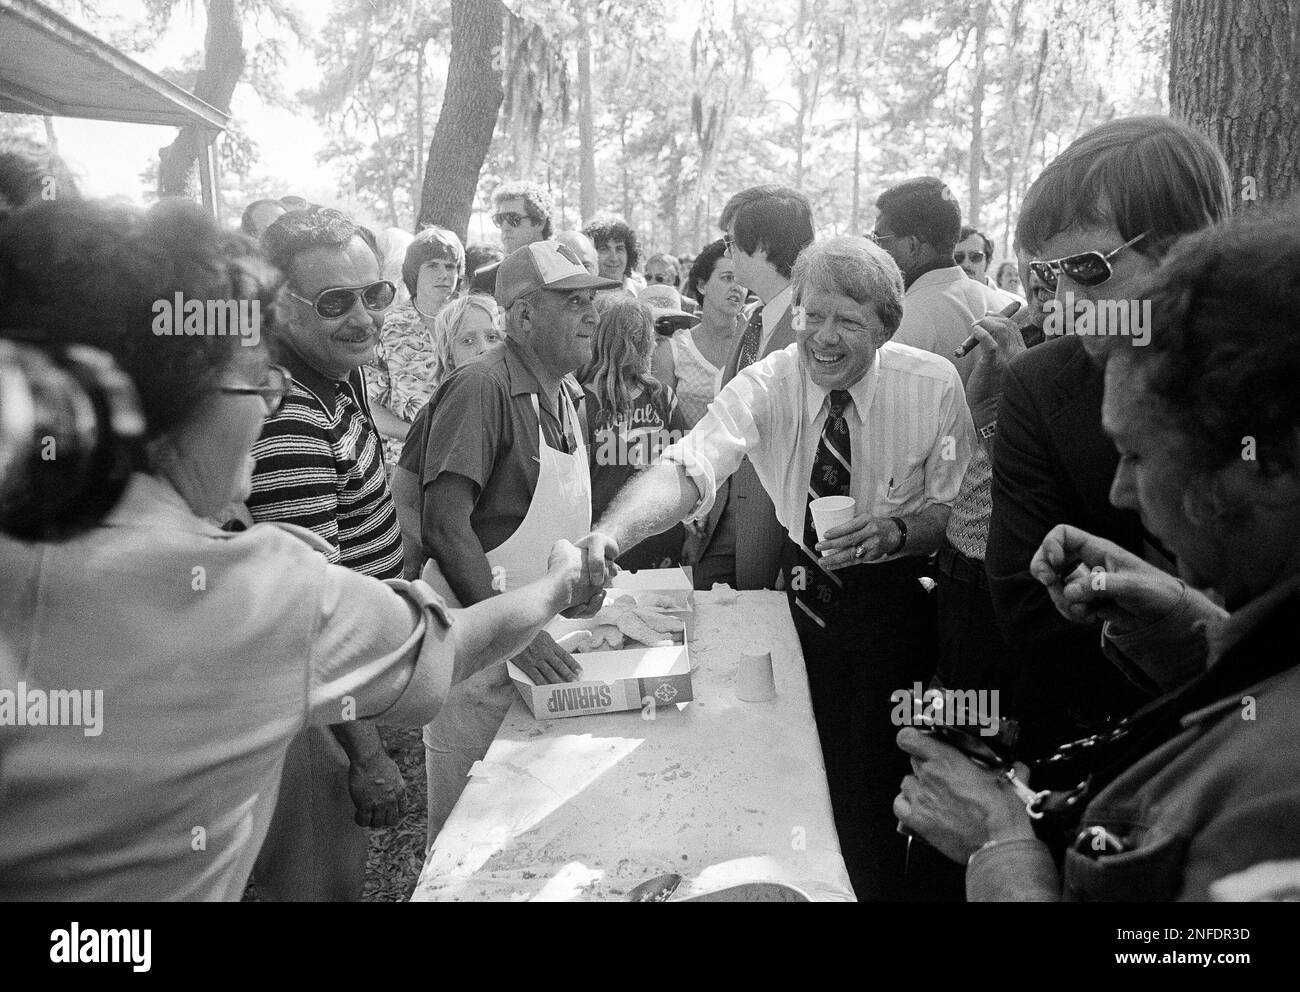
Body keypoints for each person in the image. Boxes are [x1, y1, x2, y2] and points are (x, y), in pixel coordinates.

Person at [0, 198, 605, 900]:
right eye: (255, 378)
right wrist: (559, 584)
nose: (268, 400)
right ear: (173, 405)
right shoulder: (250, 586)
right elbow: (448, 641)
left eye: (375, 294)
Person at [896, 207, 1300, 901]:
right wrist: (1190, 628)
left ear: (1263, 462)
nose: (1119, 493)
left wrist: (1001, 851)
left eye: (1139, 456)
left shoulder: (1272, 807)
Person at [577, 236, 974, 900]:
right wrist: (613, 531)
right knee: (785, 765)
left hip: (894, 603)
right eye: (811, 315)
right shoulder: (768, 380)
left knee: (871, 784)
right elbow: (692, 464)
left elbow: (953, 509)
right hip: (797, 593)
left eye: (846, 320)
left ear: (885, 323)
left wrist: (899, 530)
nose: (822, 337)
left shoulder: (933, 387)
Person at [985, 115, 1234, 759]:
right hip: (1104, 744)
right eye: (1048, 277)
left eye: (1088, 269)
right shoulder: (1040, 383)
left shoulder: (1275, 380)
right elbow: (1025, 602)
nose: (1060, 303)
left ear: (1191, 245)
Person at [406, 240, 620, 846]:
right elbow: (445, 525)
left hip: (539, 651)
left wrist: (581, 582)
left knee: (534, 835)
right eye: (573, 302)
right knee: (465, 841)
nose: (591, 315)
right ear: (524, 316)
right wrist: (514, 635)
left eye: (593, 302)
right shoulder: (482, 388)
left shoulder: (569, 395)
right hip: (478, 655)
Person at [246, 205, 405, 900]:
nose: (366, 317)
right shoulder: (291, 419)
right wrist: (364, 755)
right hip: (315, 721)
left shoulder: (339, 379)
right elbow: (307, 618)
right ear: (282, 308)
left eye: (376, 293)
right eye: (337, 301)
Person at [690, 185, 815, 592]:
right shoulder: (752, 318)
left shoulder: (813, 324)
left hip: (776, 530)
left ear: (760, 246)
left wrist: (795, 555)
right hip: (724, 518)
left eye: (731, 241)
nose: (726, 252)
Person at [390, 293, 504, 577]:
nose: (482, 349)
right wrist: (447, 554)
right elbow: (401, 500)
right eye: (468, 341)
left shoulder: (513, 406)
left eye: (492, 337)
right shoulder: (433, 414)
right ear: (448, 355)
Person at [872, 178, 1018, 384]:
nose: (875, 250)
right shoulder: (1006, 308)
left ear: (912, 245)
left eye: (879, 240)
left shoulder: (898, 326)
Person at [581, 300, 689, 570]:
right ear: (633, 343)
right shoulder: (582, 401)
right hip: (608, 539)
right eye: (648, 337)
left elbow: (686, 461)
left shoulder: (662, 397)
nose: (653, 345)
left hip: (642, 539)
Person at [367, 226, 468, 467]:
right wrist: (417, 433)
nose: (443, 274)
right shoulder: (388, 326)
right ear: (414, 272)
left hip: (466, 456)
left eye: (450, 266)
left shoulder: (474, 321)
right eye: (432, 265)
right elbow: (370, 405)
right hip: (406, 459)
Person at [652, 239, 747, 428]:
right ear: (702, 285)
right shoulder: (673, 351)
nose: (736, 287)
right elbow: (661, 423)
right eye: (727, 277)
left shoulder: (753, 343)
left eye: (741, 280)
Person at [470, 180, 554, 294]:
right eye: (500, 219)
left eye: (513, 219)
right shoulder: (485, 280)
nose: (505, 227)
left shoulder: (567, 270)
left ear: (540, 223)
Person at [584, 215, 642, 294]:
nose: (613, 258)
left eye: (619, 249)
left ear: (629, 253)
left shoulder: (642, 294)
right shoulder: (580, 295)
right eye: (604, 249)